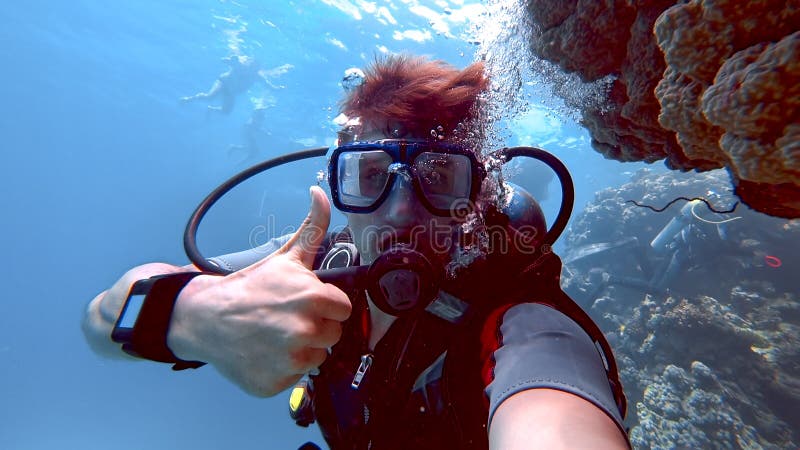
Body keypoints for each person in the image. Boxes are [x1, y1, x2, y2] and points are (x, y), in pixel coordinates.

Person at [83, 55, 629, 449]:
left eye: (439, 177)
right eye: (370, 177)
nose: (400, 211)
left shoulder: (518, 318)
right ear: (337, 185)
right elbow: (100, 318)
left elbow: (555, 406)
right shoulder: (310, 262)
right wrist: (192, 314)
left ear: (476, 197)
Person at [181, 54, 291, 114]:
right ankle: (190, 99)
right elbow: (224, 60)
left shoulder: (257, 76)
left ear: (257, 69)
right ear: (250, 64)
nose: (252, 69)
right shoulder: (241, 66)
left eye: (255, 68)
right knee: (210, 97)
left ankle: (211, 109)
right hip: (223, 84)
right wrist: (230, 60)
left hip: (231, 93)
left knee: (226, 112)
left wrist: (277, 89)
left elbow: (269, 86)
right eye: (252, 66)